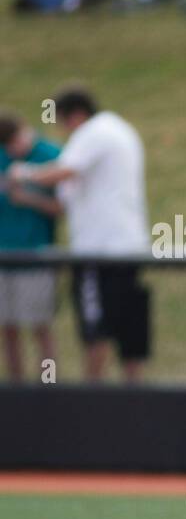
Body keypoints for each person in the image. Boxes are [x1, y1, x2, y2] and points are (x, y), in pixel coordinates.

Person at [6, 87, 150, 382]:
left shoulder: (94, 133)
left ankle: (93, 398)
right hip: (127, 245)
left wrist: (23, 173)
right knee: (128, 326)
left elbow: (63, 171)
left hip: (99, 250)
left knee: (96, 329)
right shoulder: (119, 130)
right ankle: (133, 396)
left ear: (76, 116)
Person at [0, 111, 62, 382]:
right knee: (8, 328)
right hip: (4, 257)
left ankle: (47, 387)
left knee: (40, 327)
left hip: (37, 254)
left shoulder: (50, 155)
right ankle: (16, 391)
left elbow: (62, 208)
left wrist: (26, 197)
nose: (13, 151)